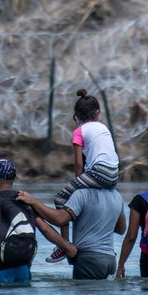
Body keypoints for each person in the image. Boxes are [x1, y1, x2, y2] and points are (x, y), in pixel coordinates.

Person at [45, 88, 120, 263]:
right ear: (97, 112)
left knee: (61, 199)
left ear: (76, 116)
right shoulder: (103, 128)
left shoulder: (79, 131)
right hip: (114, 174)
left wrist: (78, 185)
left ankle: (63, 245)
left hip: (99, 172)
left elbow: (79, 163)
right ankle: (103, 245)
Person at [18, 177, 126, 280]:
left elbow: (60, 219)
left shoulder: (82, 194)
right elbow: (121, 229)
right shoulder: (117, 195)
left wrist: (33, 202)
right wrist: (100, 222)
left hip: (89, 260)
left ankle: (64, 245)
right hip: (110, 260)